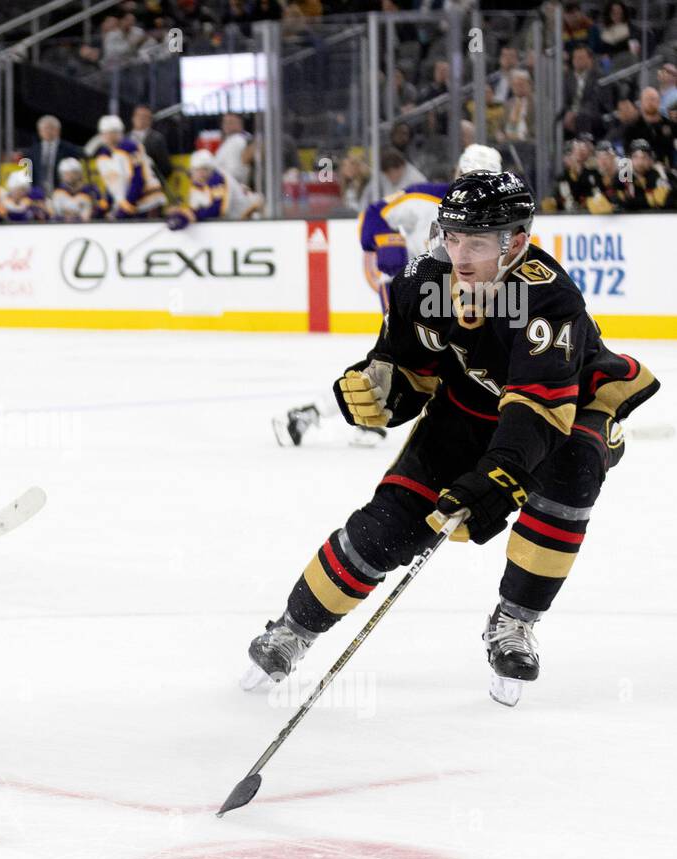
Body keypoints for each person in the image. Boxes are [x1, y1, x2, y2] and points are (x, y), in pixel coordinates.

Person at [243, 171, 659, 707]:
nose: (459, 255)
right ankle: (292, 630)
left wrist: (497, 479)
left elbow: (537, 411)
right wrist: (379, 390)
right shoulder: (423, 280)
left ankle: (514, 621)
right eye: (452, 236)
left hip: (564, 413)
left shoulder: (548, 298)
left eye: (478, 242)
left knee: (572, 472)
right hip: (465, 410)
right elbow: (407, 368)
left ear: (516, 241)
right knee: (389, 527)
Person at [274, 144, 503, 449]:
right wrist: (387, 241)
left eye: (486, 180)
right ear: (457, 173)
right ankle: (314, 414)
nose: (477, 188)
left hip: (457, 298)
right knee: (397, 362)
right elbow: (374, 213)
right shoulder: (425, 196)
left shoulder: (503, 216)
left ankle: (329, 415)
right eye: (471, 177)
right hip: (415, 293)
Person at [92, 114, 165, 219]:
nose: (107, 136)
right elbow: (113, 183)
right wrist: (105, 205)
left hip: (146, 201)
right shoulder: (103, 156)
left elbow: (139, 178)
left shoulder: (130, 148)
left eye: (112, 132)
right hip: (127, 203)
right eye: (105, 133)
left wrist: (129, 204)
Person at [167, 149, 260, 229]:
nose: (200, 174)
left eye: (203, 169)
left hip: (251, 221)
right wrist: (180, 211)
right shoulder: (198, 183)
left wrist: (188, 216)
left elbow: (218, 209)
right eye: (196, 170)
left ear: (210, 169)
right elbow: (198, 207)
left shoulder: (218, 179)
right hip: (236, 224)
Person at [23, 114, 83, 194]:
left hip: (63, 192)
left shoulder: (69, 149)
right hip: (39, 194)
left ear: (58, 130)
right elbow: (28, 173)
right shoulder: (33, 151)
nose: (48, 131)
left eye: (51, 128)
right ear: (39, 131)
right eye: (45, 129)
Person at [50, 157, 106, 222]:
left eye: (70, 173)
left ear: (78, 173)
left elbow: (100, 212)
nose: (66, 176)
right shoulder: (58, 192)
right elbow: (54, 215)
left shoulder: (91, 191)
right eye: (64, 173)